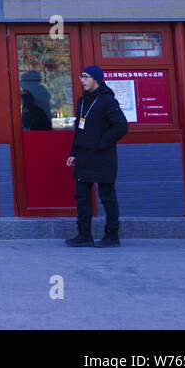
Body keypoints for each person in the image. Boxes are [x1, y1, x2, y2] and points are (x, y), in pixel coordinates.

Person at [65, 66, 128, 248]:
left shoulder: (108, 100)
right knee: (81, 196)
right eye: (81, 76)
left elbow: (121, 127)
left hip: (103, 157)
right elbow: (79, 129)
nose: (82, 80)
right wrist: (73, 153)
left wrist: (100, 143)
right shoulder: (82, 101)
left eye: (86, 77)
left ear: (97, 79)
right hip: (84, 156)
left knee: (107, 196)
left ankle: (112, 236)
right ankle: (84, 235)